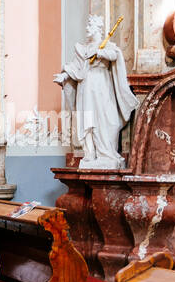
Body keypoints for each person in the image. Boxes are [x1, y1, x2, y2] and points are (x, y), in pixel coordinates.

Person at [54, 15, 138, 170]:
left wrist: (99, 53)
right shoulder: (82, 49)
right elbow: (75, 67)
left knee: (106, 118)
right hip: (85, 87)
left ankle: (107, 153)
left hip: (101, 86)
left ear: (98, 28)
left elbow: (115, 55)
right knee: (88, 120)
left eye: (90, 26)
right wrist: (64, 76)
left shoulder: (107, 45)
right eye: (87, 26)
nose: (86, 29)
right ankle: (90, 154)